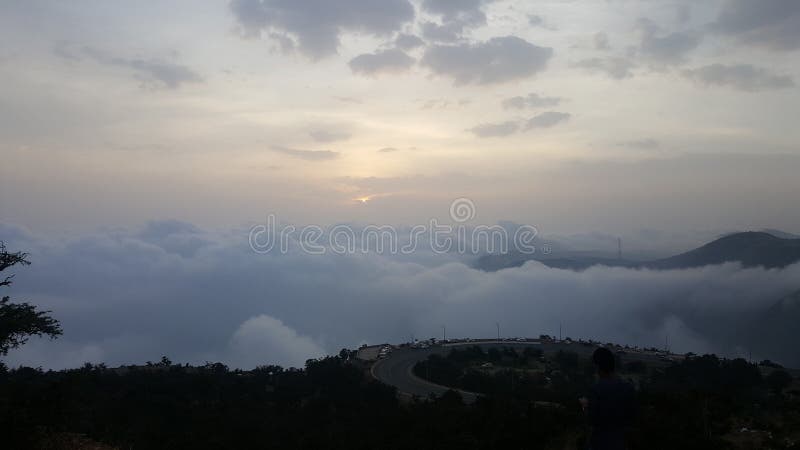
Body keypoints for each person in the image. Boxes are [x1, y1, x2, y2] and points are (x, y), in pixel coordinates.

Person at [579, 347, 635, 450]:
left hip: (600, 443)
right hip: (621, 443)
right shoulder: (629, 388)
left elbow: (591, 420)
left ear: (597, 366)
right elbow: (632, 418)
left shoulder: (596, 389)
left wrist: (585, 407)